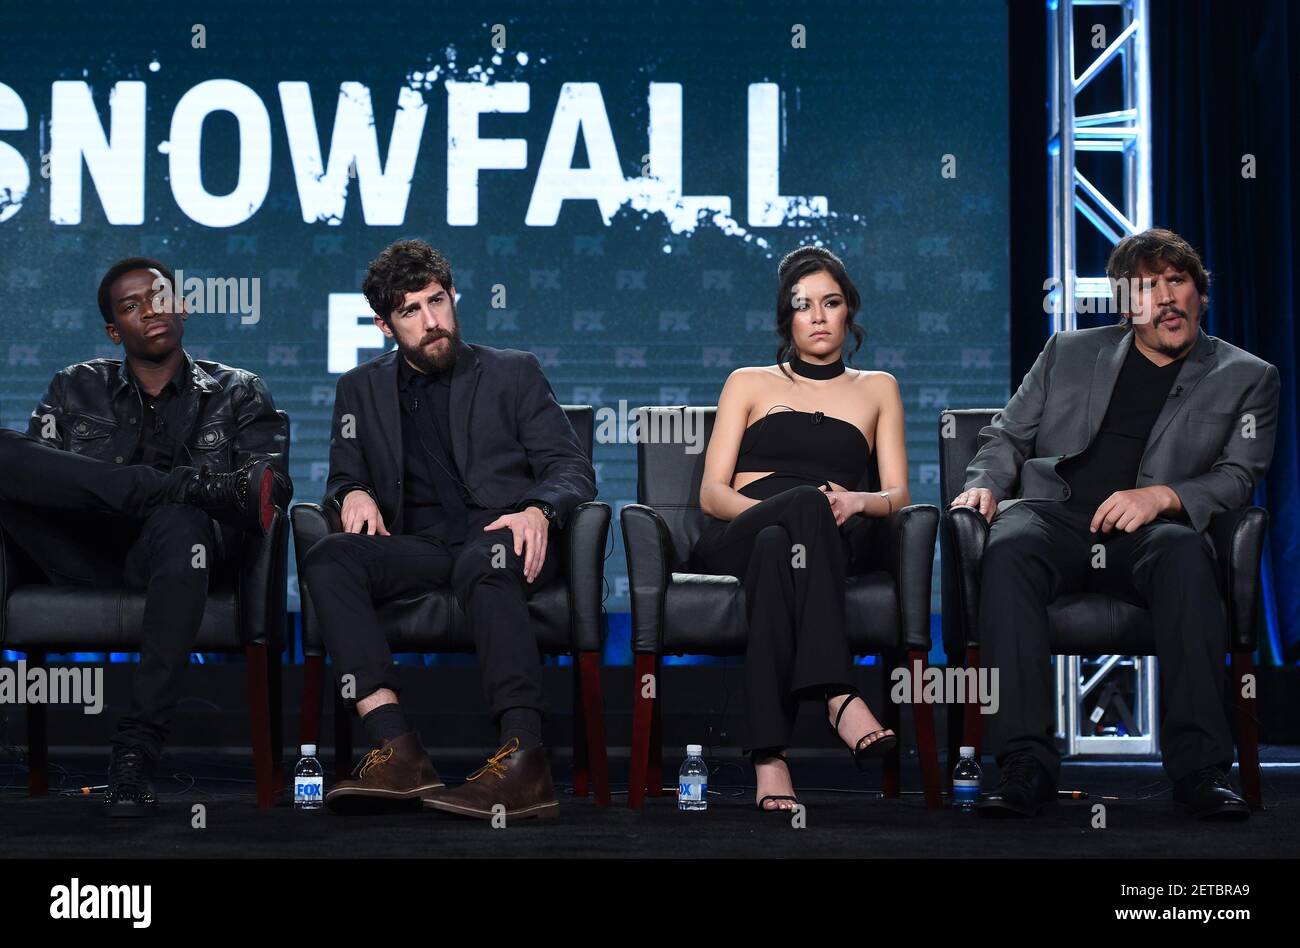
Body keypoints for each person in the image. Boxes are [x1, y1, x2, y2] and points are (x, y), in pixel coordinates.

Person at [951, 228, 1279, 821]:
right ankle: (1025, 764)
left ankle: (1200, 771)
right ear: (1127, 305)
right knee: (1009, 550)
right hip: (1056, 515)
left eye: (1177, 282)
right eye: (1147, 287)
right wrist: (984, 484)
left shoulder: (1247, 375)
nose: (1166, 298)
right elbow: (1007, 435)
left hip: (1154, 531)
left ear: (1199, 295)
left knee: (1185, 559)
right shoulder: (1068, 352)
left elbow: (1238, 476)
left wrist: (1162, 497)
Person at [301, 238, 596, 821]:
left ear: (454, 296)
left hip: (505, 537)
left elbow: (571, 466)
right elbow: (342, 474)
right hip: (425, 546)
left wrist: (537, 509)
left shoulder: (512, 372)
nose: (432, 321)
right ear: (385, 324)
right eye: (411, 311)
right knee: (329, 557)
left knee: (481, 559)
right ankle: (396, 749)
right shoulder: (357, 389)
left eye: (438, 301)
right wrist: (350, 492)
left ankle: (524, 761)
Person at [0, 256, 292, 817]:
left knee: (181, 524)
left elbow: (268, 490)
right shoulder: (74, 386)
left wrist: (184, 504)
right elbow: (38, 481)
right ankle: (160, 488)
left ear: (181, 306)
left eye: (159, 298)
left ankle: (135, 750)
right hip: (83, 552)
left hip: (185, 557)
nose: (149, 311)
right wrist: (176, 487)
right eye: (131, 307)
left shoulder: (238, 392)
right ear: (115, 331)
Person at [691, 246, 911, 811]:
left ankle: (769, 759)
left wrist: (859, 501)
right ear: (785, 319)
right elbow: (713, 494)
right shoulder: (748, 381)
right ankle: (838, 692)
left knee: (779, 544)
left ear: (848, 313)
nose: (817, 316)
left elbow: (898, 496)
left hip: (823, 540)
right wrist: (792, 506)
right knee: (787, 518)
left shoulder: (878, 387)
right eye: (802, 305)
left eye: (830, 303)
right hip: (742, 527)